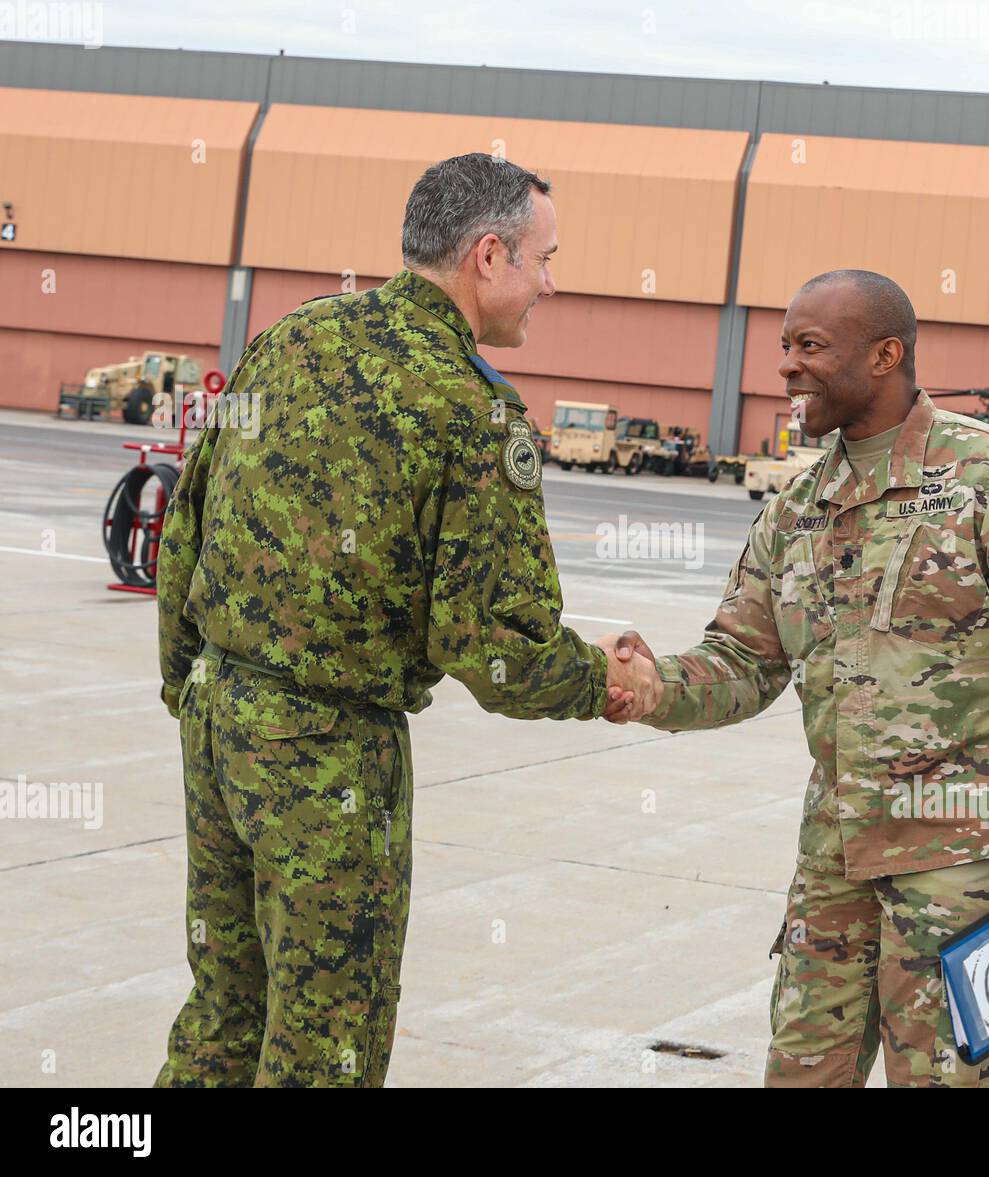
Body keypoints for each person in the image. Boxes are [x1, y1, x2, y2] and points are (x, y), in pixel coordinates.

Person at [154, 152, 660, 1087]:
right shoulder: (471, 409)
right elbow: (497, 652)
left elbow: (186, 525)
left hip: (218, 719)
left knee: (223, 1014)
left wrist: (185, 685)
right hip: (331, 752)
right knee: (324, 1042)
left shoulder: (290, 338)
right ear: (488, 255)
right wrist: (600, 678)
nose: (551, 284)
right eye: (545, 260)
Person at [606, 269, 989, 1088]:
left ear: (885, 355)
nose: (786, 366)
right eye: (785, 346)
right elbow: (744, 661)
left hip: (966, 866)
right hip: (835, 862)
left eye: (809, 346)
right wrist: (649, 686)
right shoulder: (799, 506)